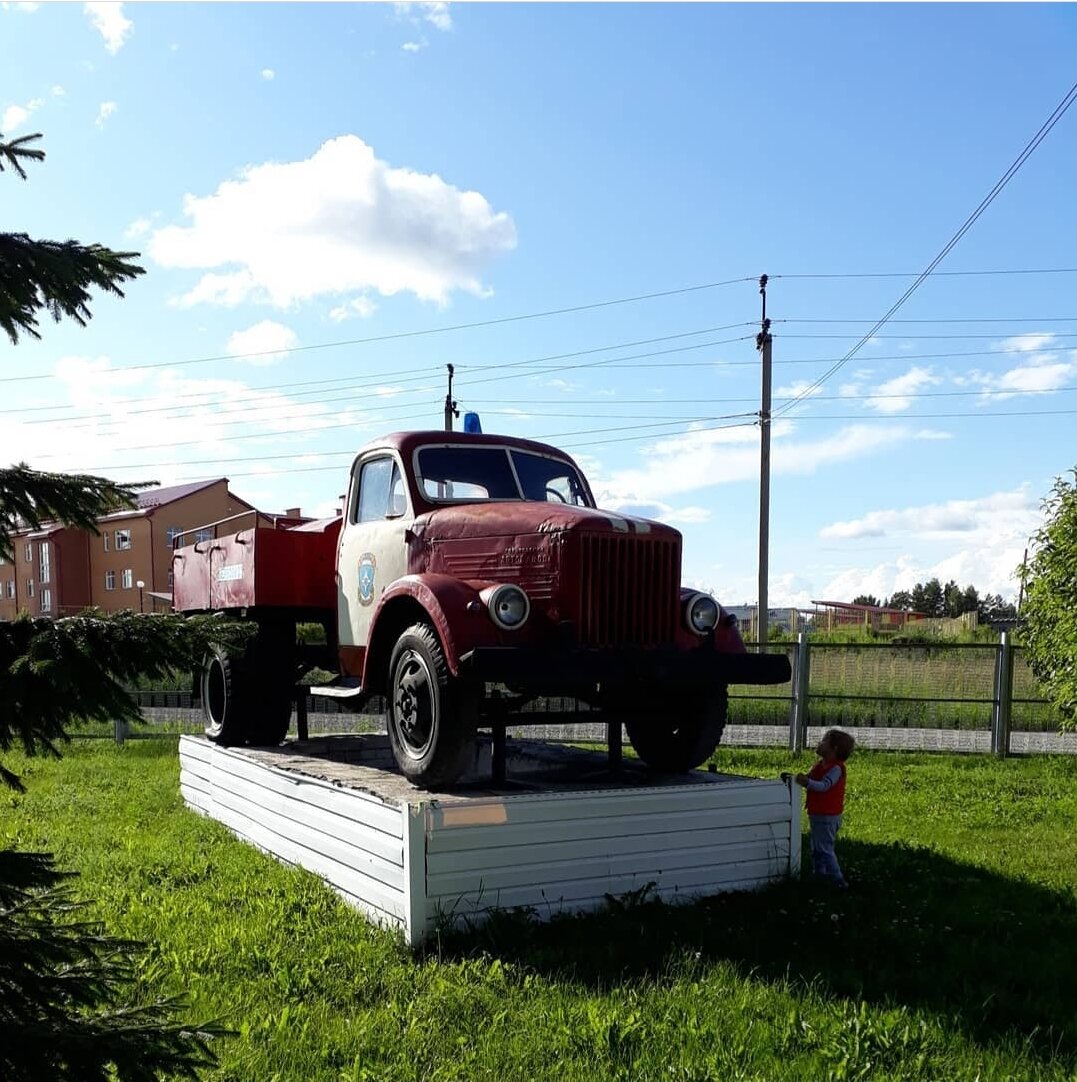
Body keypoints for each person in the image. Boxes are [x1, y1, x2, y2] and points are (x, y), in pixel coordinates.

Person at [794, 729, 855, 888]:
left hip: (828, 815)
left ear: (834, 748)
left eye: (824, 741)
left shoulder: (836, 769)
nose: (819, 743)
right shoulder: (821, 765)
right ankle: (819, 874)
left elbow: (824, 786)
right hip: (818, 813)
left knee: (825, 849)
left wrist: (807, 783)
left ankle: (837, 879)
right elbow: (813, 778)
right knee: (817, 847)